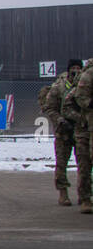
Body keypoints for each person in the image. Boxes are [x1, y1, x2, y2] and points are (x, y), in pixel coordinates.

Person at [44, 59, 86, 208]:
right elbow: (49, 108)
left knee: (84, 164)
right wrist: (60, 120)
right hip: (64, 131)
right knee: (62, 163)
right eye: (73, 68)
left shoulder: (85, 85)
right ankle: (63, 192)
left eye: (78, 68)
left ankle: (84, 194)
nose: (76, 71)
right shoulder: (58, 87)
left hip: (81, 129)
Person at [59, 58, 93, 214]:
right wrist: (82, 117)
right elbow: (74, 100)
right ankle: (85, 198)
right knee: (84, 164)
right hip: (86, 129)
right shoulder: (88, 76)